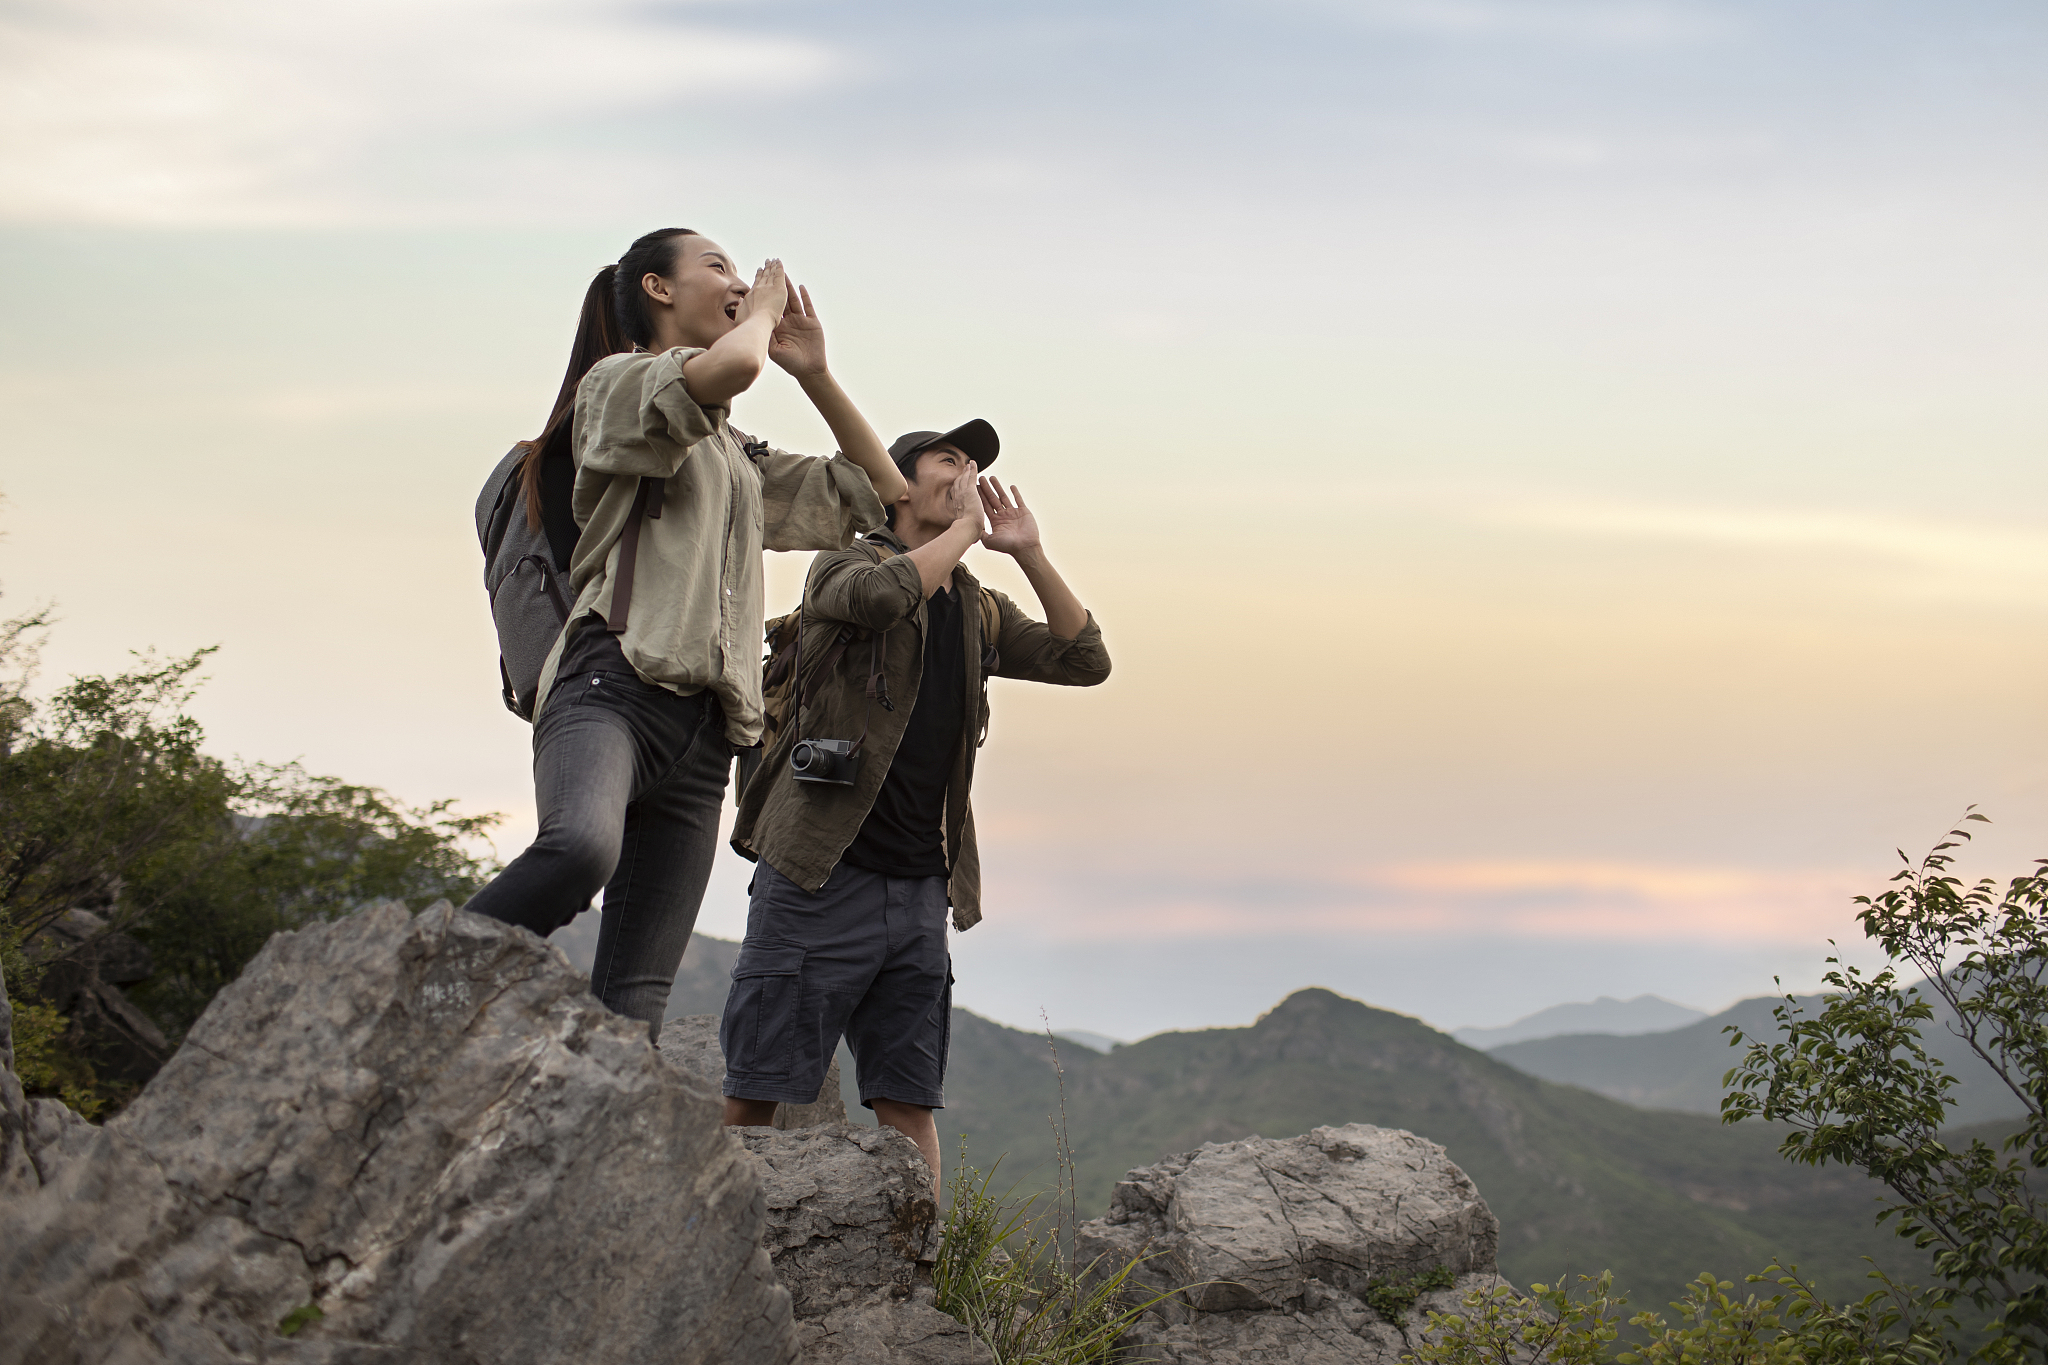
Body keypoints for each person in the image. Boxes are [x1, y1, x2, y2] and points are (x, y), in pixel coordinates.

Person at [464, 228, 908, 1037]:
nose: (738, 281)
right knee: (577, 849)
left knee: (636, 997)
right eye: (718, 267)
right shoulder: (618, 385)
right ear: (658, 291)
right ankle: (422, 986)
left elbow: (882, 497)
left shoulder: (736, 456)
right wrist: (765, 307)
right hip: (613, 682)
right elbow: (732, 368)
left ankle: (594, 1151)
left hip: (705, 739)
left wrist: (814, 373)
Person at [720, 421, 1110, 1178]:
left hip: (922, 886)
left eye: (974, 463)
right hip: (817, 875)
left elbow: (1084, 658)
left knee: (907, 1100)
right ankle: (718, 1260)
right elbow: (879, 597)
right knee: (758, 1088)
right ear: (898, 484)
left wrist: (1026, 551)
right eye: (949, 459)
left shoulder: (977, 605)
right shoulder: (842, 563)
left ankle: (921, 1282)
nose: (967, 471)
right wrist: (966, 529)